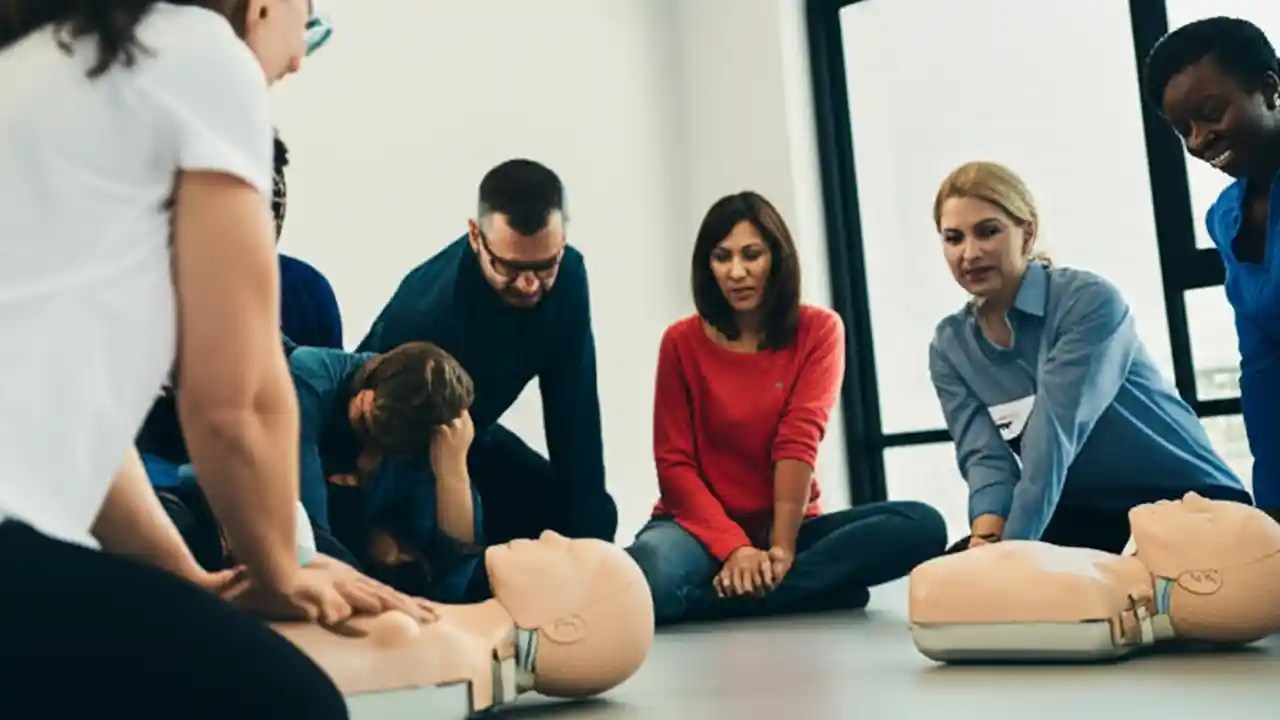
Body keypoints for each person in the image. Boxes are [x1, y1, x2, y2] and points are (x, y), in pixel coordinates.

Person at [0, 1, 363, 716]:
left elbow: (82, 436)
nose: (296, 57)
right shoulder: (198, 52)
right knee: (292, 704)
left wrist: (188, 581)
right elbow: (234, 401)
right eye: (308, 20)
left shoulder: (39, 68)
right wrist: (281, 568)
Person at [625, 191, 947, 626]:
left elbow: (798, 442)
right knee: (648, 578)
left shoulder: (819, 329)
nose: (737, 272)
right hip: (696, 529)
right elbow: (673, 464)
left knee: (921, 525)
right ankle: (808, 589)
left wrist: (779, 551)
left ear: (777, 257)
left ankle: (730, 597)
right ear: (708, 266)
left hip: (789, 526)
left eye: (752, 255)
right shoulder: (680, 342)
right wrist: (735, 549)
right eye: (722, 258)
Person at [927, 161, 1252, 555]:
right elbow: (985, 458)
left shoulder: (1089, 303)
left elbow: (1053, 434)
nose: (970, 253)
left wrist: (1012, 554)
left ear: (1026, 233)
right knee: (960, 578)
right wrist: (988, 538)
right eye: (953, 238)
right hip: (1083, 514)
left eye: (988, 232)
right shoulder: (951, 345)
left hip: (1188, 503)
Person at [357, 159, 617, 544]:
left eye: (545, 265)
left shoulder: (571, 277)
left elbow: (574, 414)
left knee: (587, 513)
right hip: (397, 446)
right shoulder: (427, 313)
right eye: (509, 267)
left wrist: (593, 546)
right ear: (475, 236)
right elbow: (371, 432)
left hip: (472, 432)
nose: (529, 285)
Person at [1143, 17, 1280, 524]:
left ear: (1268, 89)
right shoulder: (1226, 217)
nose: (1200, 140)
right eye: (1184, 129)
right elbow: (1264, 367)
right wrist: (1271, 509)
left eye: (1210, 113)